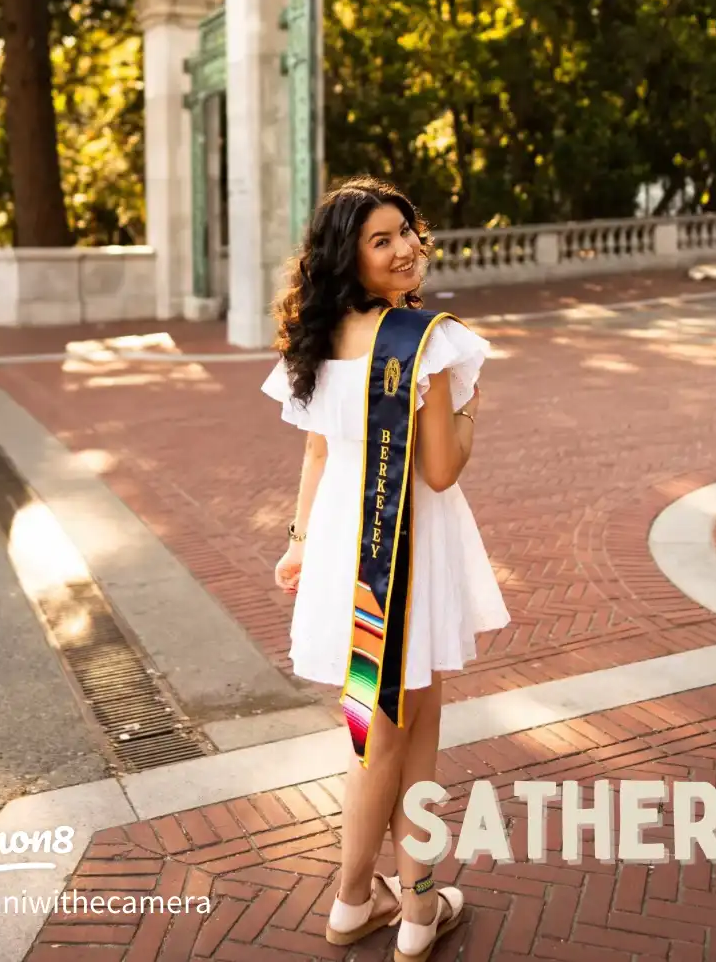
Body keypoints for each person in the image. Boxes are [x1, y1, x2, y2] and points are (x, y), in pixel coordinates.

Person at [262, 174, 510, 961]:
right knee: (408, 739)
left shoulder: (319, 335)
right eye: (382, 239)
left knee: (372, 733)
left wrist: (299, 539)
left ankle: (374, 904)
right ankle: (401, 907)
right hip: (404, 555)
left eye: (407, 231)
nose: (406, 248)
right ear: (351, 257)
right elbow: (439, 471)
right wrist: (471, 408)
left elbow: (318, 450)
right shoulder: (423, 339)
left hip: (344, 549)